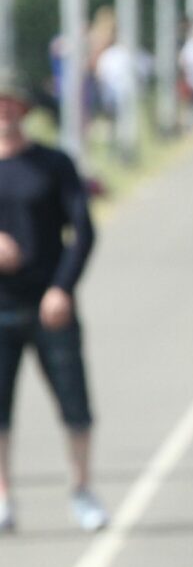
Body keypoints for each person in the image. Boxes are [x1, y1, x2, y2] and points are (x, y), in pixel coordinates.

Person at [0, 80, 105, 534]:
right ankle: (3, 497)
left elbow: (82, 230)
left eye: (9, 103)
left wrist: (62, 287)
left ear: (22, 108)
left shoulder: (53, 163)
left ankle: (82, 490)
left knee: (74, 403)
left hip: (49, 305)